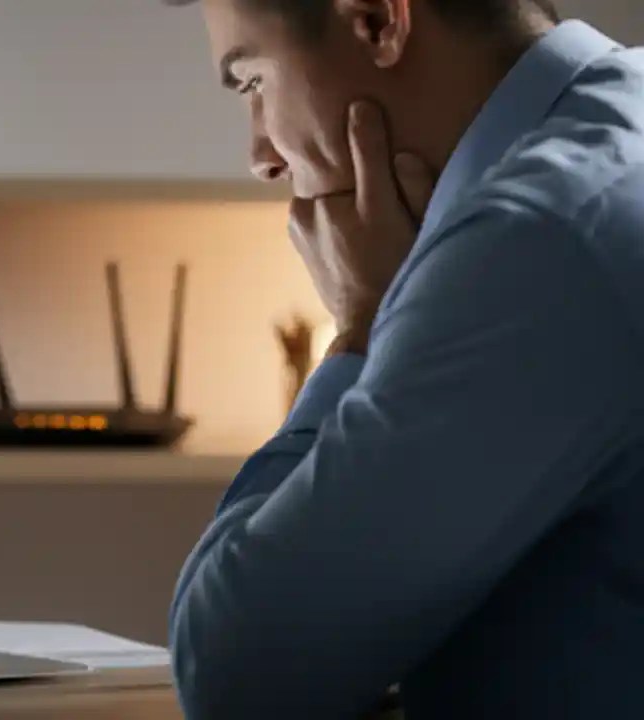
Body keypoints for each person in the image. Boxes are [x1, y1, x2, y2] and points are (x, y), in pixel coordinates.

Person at [165, 1, 644, 718]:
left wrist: (359, 328)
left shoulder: (536, 241)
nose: (259, 154)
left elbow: (236, 671)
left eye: (253, 82)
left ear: (375, 21)